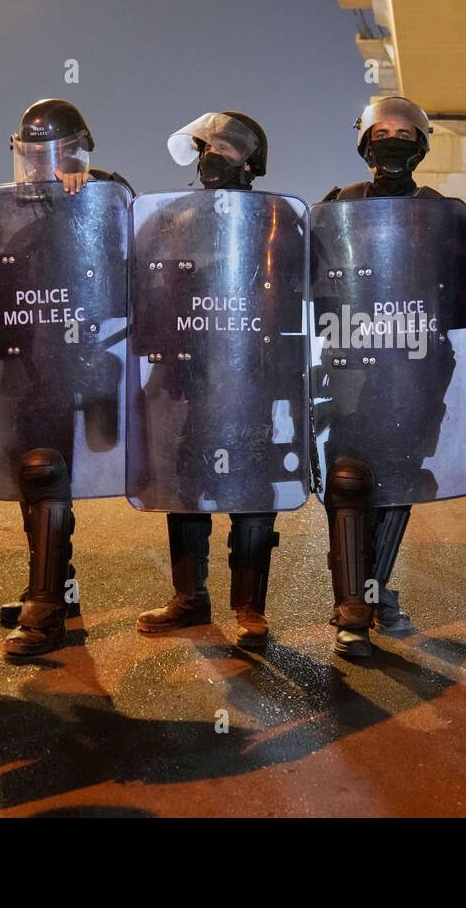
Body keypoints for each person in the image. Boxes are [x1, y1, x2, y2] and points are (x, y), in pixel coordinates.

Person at [135, 111, 284, 648]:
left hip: (255, 375)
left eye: (224, 147)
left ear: (252, 159)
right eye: (205, 147)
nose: (211, 157)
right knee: (183, 479)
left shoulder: (276, 219)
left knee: (251, 481)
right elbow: (142, 281)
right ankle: (190, 597)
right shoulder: (172, 218)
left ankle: (249, 606)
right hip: (187, 373)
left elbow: (298, 293)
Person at [0, 99, 133, 656]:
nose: (40, 166)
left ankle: (47, 611)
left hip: (82, 365)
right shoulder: (15, 212)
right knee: (35, 480)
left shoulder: (100, 197)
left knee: (46, 474)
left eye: (53, 154)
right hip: (28, 371)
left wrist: (93, 184)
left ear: (77, 151)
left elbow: (129, 224)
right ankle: (53, 587)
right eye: (32, 154)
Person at [317, 95, 445, 658]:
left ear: (419, 144)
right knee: (348, 481)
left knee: (396, 479)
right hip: (349, 362)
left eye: (402, 132)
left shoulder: (442, 210)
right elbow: (313, 280)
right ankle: (356, 606)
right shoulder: (337, 205)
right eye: (381, 131)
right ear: (364, 141)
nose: (391, 140)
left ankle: (367, 594)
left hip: (414, 367)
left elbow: (457, 290)